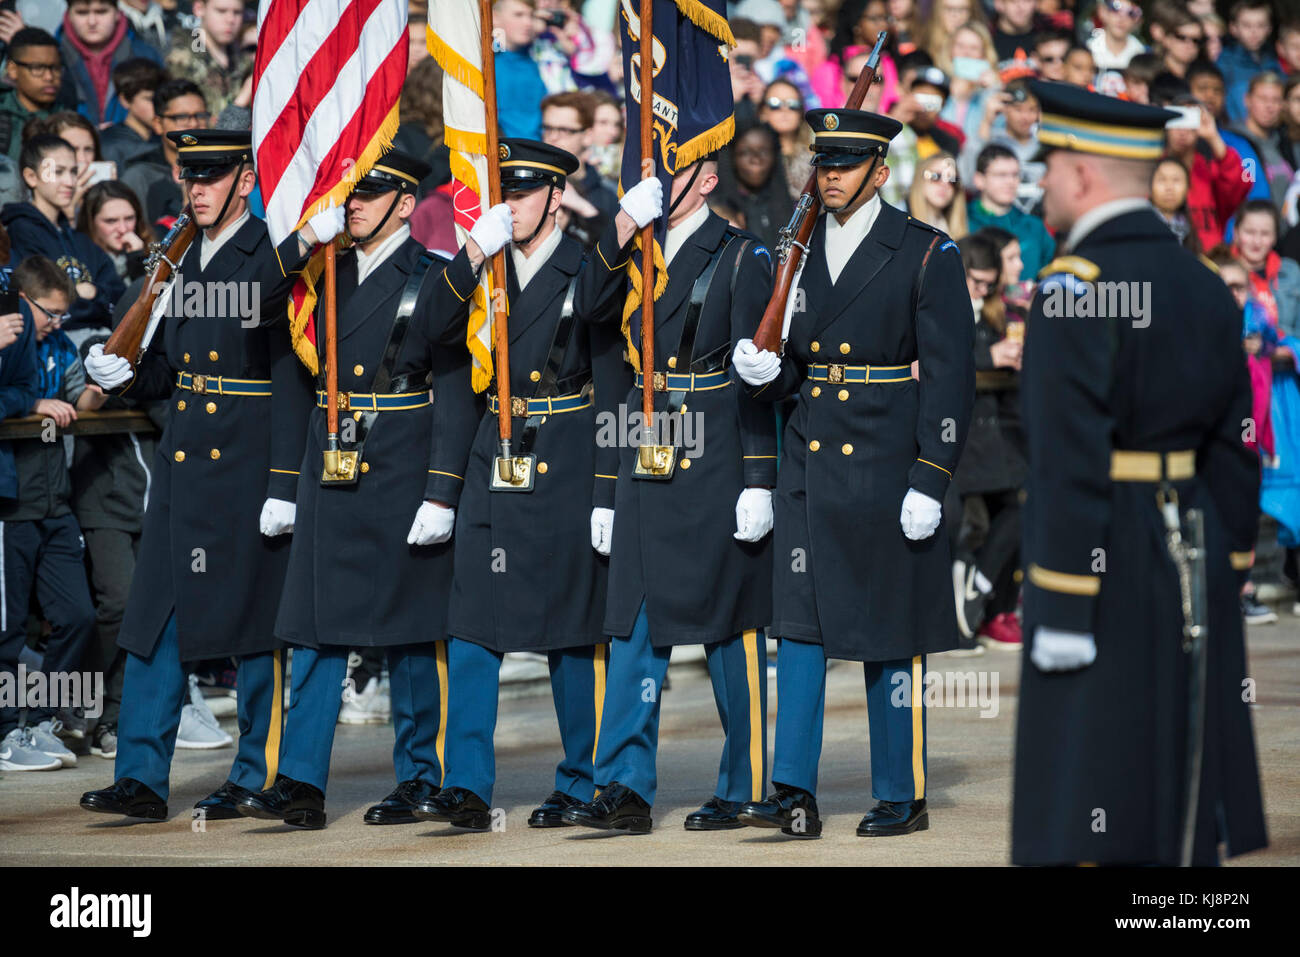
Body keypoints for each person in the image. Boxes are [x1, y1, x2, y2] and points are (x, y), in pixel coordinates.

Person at [1010, 80, 1266, 867]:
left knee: (1089, 785)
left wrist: (1057, 598)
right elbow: (1237, 446)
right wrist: (1226, 568)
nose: (1042, 179)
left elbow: (1067, 459)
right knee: (1178, 786)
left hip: (1102, 557)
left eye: (1050, 163)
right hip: (1195, 543)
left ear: (1084, 174)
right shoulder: (1202, 284)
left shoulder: (1070, 289)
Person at [732, 106, 973, 839]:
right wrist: (764, 372)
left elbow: (952, 378)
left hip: (885, 454)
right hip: (811, 452)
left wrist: (932, 474)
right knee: (798, 629)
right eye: (820, 163)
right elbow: (796, 364)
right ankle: (793, 788)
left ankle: (901, 790)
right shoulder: (792, 252)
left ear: (879, 170)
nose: (827, 177)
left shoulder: (925, 252)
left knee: (887, 630)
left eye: (843, 165)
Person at [230, 148, 480, 829]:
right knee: (312, 623)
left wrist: (443, 489)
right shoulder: (318, 276)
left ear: (405, 203)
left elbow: (455, 393)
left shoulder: (433, 278)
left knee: (412, 629)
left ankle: (422, 775)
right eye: (350, 192)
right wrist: (305, 237)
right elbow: (249, 300)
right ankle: (301, 778)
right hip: (330, 462)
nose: (355, 203)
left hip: (403, 459)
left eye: (370, 192)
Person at [77, 128, 314, 823]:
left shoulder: (267, 255)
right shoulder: (176, 257)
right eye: (190, 178)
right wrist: (124, 375)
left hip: (246, 463)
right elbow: (171, 369)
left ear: (245, 180)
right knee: (155, 618)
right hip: (185, 460)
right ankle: (141, 775)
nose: (198, 190)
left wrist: (281, 480)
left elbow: (290, 375)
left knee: (253, 625)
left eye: (213, 177)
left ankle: (256, 770)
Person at [414, 141, 644, 832]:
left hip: (569, 449)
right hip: (497, 447)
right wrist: (468, 260)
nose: (510, 205)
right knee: (473, 621)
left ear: (554, 196)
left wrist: (607, 488)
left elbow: (612, 382)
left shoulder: (586, 266)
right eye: (502, 192)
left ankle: (582, 778)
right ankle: (467, 782)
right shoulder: (479, 268)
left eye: (523, 193)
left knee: (572, 629)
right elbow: (431, 330)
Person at [563, 154, 777, 835]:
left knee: (729, 622)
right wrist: (624, 221)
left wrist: (759, 479)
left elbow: (762, 377)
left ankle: (746, 783)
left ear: (706, 179)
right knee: (632, 616)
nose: (652, 182)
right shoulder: (635, 248)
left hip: (715, 443)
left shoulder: (743, 256)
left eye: (672, 171)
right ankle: (623, 783)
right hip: (641, 436)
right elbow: (589, 307)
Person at [0, 256, 99, 772]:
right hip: (11, 504)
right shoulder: (6, 342)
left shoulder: (61, 346)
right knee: (10, 626)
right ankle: (6, 729)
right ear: (21, 302)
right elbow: (25, 400)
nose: (59, 323)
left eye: (64, 314)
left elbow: (78, 400)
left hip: (55, 503)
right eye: (50, 313)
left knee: (77, 615)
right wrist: (31, 404)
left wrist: (99, 388)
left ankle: (39, 719)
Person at [952, 229, 1025, 652]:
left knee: (1017, 508)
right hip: (962, 439)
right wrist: (989, 357)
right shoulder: (944, 306)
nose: (982, 290)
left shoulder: (999, 312)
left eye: (987, 283)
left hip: (999, 434)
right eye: (976, 282)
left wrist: (1012, 357)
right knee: (965, 527)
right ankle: (965, 612)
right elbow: (933, 361)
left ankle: (980, 589)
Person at [1, 134, 124, 335]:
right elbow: (41, 302)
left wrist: (94, 293)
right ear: (31, 177)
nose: (69, 182)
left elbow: (119, 297)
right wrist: (91, 302)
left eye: (73, 171)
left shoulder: (79, 239)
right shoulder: (20, 232)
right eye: (57, 172)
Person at [56, 0, 163, 128]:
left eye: (101, 12)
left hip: (135, 144)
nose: (92, 22)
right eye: (82, 13)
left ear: (118, 13)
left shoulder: (146, 56)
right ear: (68, 15)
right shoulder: (52, 58)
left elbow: (163, 111)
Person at [1163, 97, 1250, 252]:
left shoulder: (1210, 171)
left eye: (1190, 122)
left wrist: (1213, 135)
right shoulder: (1151, 168)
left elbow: (1240, 186)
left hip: (1210, 259)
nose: (1182, 131)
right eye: (1177, 120)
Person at [121, 78, 208, 228]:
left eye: (200, 116)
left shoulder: (221, 172)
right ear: (157, 124)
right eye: (181, 117)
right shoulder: (139, 176)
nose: (193, 124)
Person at [540, 91, 618, 250]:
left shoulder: (609, 196)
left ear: (588, 136)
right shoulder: (531, 186)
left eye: (564, 130)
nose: (553, 137)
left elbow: (616, 255)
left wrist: (585, 210)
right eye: (548, 128)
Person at [966, 143, 1054, 279]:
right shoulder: (962, 221)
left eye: (1015, 175)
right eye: (1001, 175)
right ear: (979, 180)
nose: (1010, 181)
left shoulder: (1034, 227)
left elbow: (1048, 276)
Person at [163, 0, 252, 118]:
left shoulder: (243, 60)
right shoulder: (179, 53)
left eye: (237, 12)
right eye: (221, 11)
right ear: (199, 9)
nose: (230, 19)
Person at [714, 123, 791, 250]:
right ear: (732, 158)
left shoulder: (790, 209)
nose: (756, 159)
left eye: (764, 151)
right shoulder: (717, 213)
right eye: (745, 152)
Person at [1, 27, 63, 162]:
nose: (49, 77)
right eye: (37, 68)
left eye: (55, 68)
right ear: (12, 69)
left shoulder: (67, 120)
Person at [98, 57, 166, 175]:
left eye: (162, 98)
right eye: (149, 99)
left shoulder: (164, 139)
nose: (158, 106)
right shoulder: (109, 144)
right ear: (125, 100)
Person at [1218, 0, 1282, 125]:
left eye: (1260, 25)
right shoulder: (1225, 63)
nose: (1254, 31)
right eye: (1247, 25)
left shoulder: (1273, 61)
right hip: (1238, 130)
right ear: (1233, 28)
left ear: (1269, 29)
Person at [494, 0, 549, 140]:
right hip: (502, 152)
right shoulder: (486, 61)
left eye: (531, 16)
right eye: (518, 15)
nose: (528, 23)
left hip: (536, 152)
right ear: (495, 17)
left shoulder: (539, 60)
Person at [76, 179, 152, 281]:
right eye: (111, 221)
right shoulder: (80, 263)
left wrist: (138, 260)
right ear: (91, 222)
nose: (123, 229)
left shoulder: (152, 254)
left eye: (129, 218)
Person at [758, 78, 814, 201]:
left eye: (793, 104)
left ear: (800, 113)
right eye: (775, 103)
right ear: (762, 111)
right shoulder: (752, 157)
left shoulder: (815, 156)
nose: (784, 110)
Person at [906, 150, 967, 238]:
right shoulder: (900, 220)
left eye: (952, 179)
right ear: (919, 180)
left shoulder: (959, 228)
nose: (945, 184)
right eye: (936, 176)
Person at [1150, 155, 1202, 255]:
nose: (1169, 187)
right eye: (1162, 180)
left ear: (1188, 187)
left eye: (1176, 180)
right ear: (1149, 186)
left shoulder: (1189, 230)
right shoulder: (1141, 224)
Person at [1086, 0, 1147, 72]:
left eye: (1131, 13)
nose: (1121, 19)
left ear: (1138, 19)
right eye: (1115, 8)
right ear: (1102, 12)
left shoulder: (1140, 53)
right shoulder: (1088, 50)